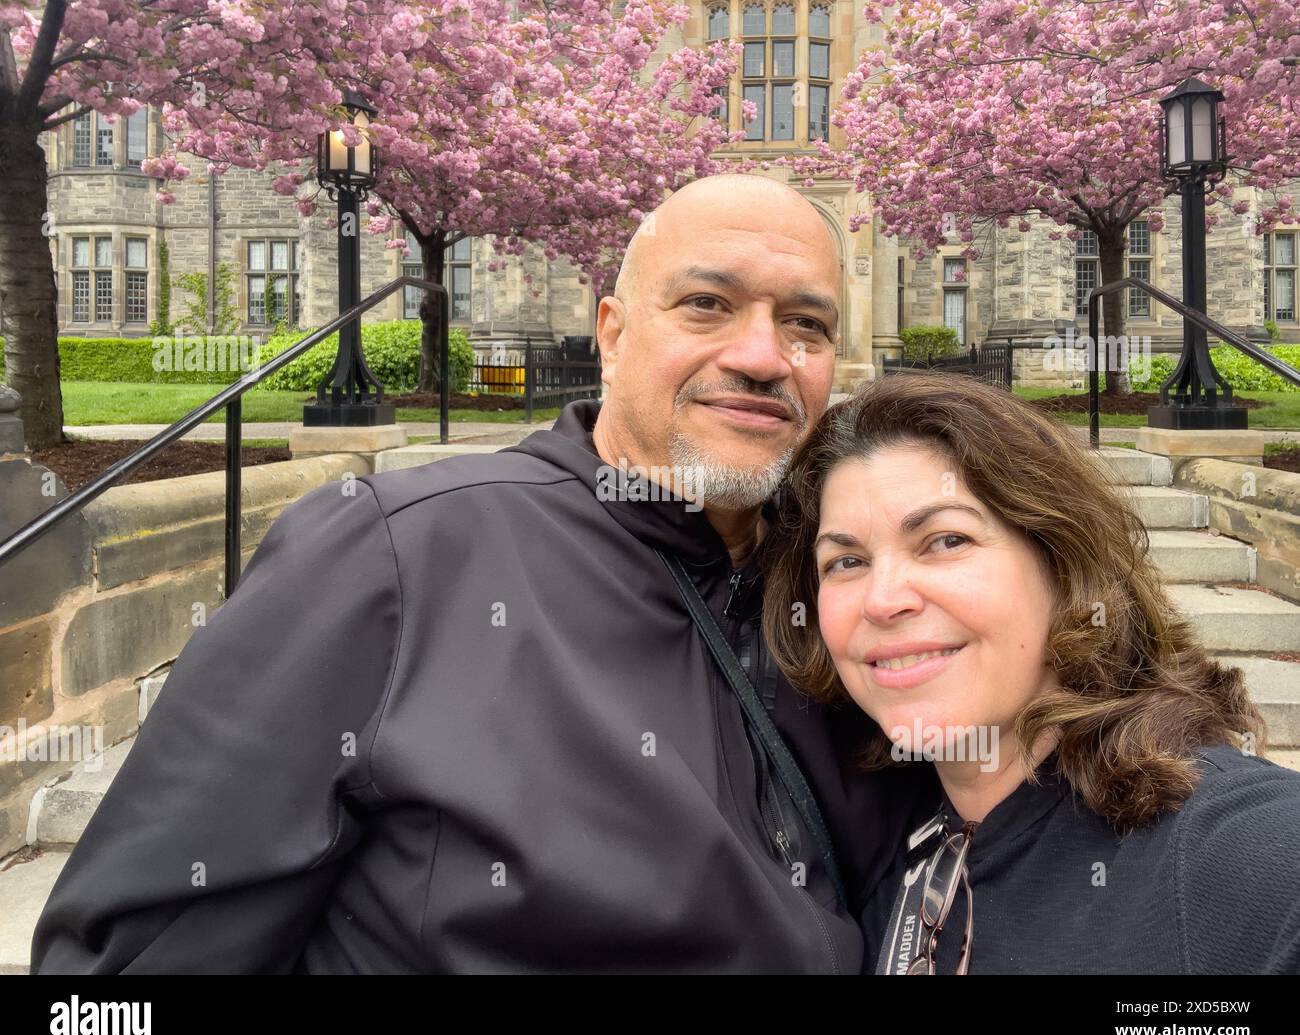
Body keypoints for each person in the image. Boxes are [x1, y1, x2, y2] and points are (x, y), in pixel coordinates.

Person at [30, 174, 939, 974]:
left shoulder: (854, 586)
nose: (761, 355)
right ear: (613, 335)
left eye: (806, 324)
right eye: (706, 304)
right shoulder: (397, 552)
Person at [762, 372, 1300, 975]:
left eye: (945, 540)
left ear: (1064, 568)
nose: (883, 600)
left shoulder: (1221, 849)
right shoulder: (886, 841)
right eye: (847, 561)